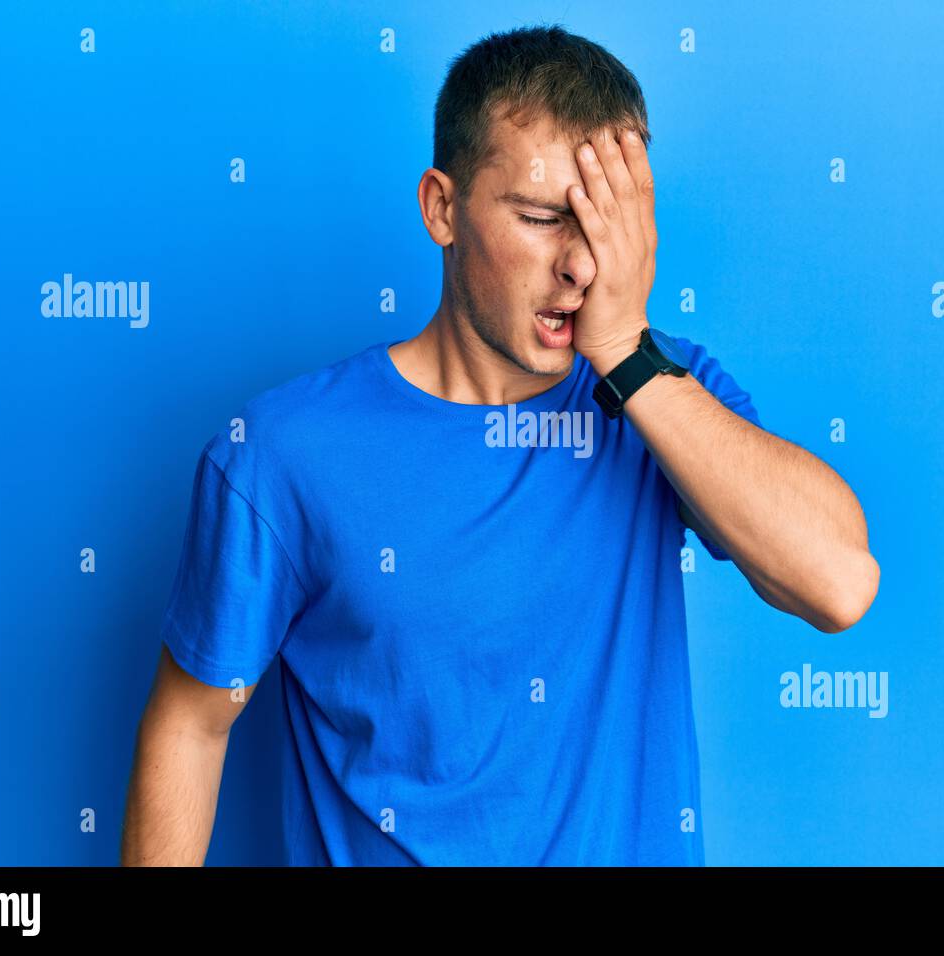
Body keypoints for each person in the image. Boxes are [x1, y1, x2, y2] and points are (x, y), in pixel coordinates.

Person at [121, 23, 879, 867]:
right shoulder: (280, 454)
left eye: (604, 227)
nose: (581, 267)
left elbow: (840, 584)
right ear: (442, 208)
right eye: (543, 218)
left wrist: (627, 354)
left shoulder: (664, 393)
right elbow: (190, 725)